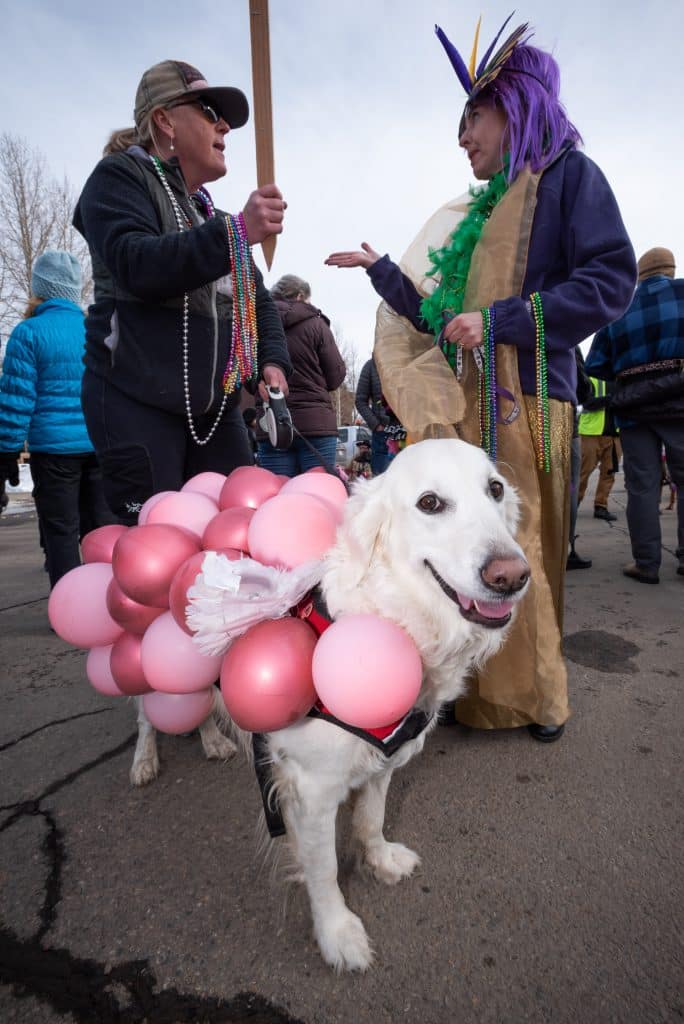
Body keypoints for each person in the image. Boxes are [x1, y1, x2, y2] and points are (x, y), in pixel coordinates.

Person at [326, 17, 636, 741]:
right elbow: (446, 320)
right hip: (476, 411)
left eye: (471, 117)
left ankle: (535, 698)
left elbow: (610, 279)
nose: (461, 137)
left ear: (514, 104)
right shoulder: (487, 206)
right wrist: (384, 276)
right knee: (473, 550)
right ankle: (478, 694)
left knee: (523, 553)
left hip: (533, 402)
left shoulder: (570, 177)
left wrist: (505, 320)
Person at [72, 60, 291, 523]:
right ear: (165, 120)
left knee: (237, 535)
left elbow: (257, 299)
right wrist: (235, 233)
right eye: (209, 110)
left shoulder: (212, 217)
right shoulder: (117, 179)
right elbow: (138, 264)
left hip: (215, 412)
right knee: (155, 550)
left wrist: (271, 359)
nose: (224, 125)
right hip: (136, 403)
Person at [0, 250, 115, 588]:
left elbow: (16, 401)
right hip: (97, 445)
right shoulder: (94, 329)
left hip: (52, 452)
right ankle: (108, 599)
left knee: (61, 531)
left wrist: (6, 450)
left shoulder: (28, 333)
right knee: (103, 526)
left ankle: (69, 606)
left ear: (40, 288)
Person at [585, 247, 684, 584]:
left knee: (642, 487)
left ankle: (646, 563)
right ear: (670, 269)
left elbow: (595, 366)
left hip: (634, 409)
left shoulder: (619, 310)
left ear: (640, 275)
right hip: (679, 402)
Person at [256, 274, 346, 476]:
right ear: (299, 295)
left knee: (276, 495)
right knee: (317, 495)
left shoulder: (257, 325)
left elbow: (247, 377)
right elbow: (335, 378)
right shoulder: (317, 325)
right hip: (316, 425)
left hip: (273, 424)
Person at [577, 375, 621, 522]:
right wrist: (611, 399)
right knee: (583, 471)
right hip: (591, 434)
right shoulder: (590, 377)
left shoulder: (621, 378)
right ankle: (573, 503)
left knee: (609, 473)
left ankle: (601, 506)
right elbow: (586, 403)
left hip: (615, 434)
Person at [355, 357, 405, 475]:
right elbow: (360, 401)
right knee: (382, 480)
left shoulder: (406, 359)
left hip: (408, 435)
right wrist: (376, 425)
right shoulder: (371, 366)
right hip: (383, 435)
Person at [567, 349, 593, 570]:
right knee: (568, 491)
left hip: (509, 419)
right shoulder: (566, 333)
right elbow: (584, 390)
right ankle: (566, 549)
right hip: (561, 420)